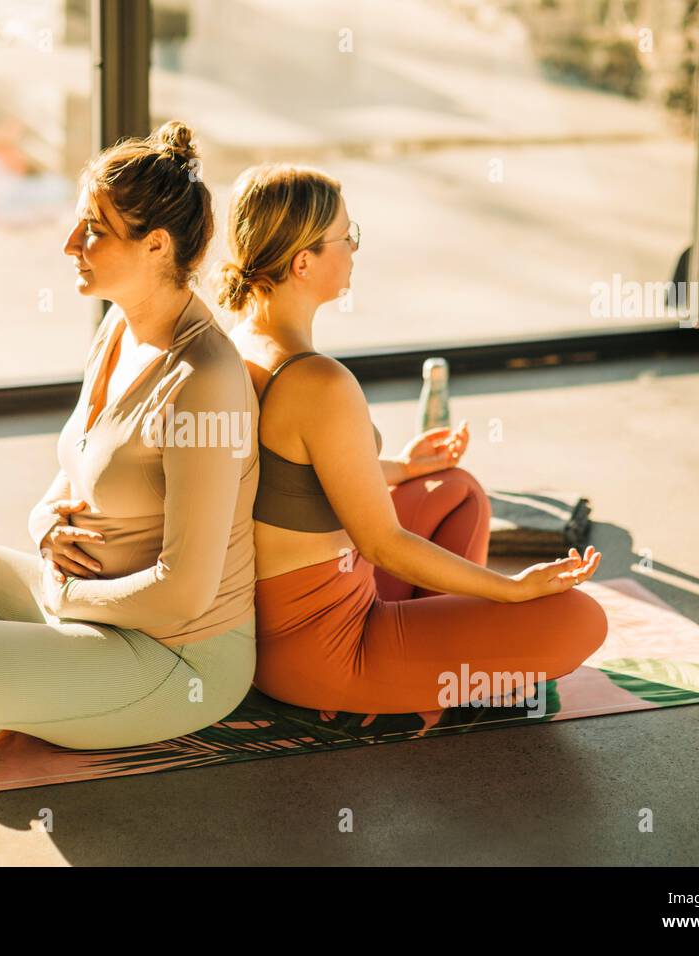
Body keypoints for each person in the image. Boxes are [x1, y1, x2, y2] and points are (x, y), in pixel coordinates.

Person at [0, 122, 260, 766]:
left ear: (157, 246)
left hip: (171, 656)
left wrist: (64, 595)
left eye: (93, 228)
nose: (70, 244)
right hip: (81, 606)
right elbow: (76, 472)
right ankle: (2, 700)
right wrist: (43, 529)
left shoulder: (204, 380)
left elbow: (185, 592)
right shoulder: (120, 326)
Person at [220, 162, 608, 714]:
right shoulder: (318, 381)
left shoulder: (240, 346)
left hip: (277, 631)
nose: (354, 248)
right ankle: (440, 665)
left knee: (453, 489)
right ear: (303, 261)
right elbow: (383, 546)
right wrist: (512, 588)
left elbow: (291, 486)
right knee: (581, 618)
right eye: (346, 236)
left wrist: (401, 467)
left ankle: (444, 647)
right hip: (332, 651)